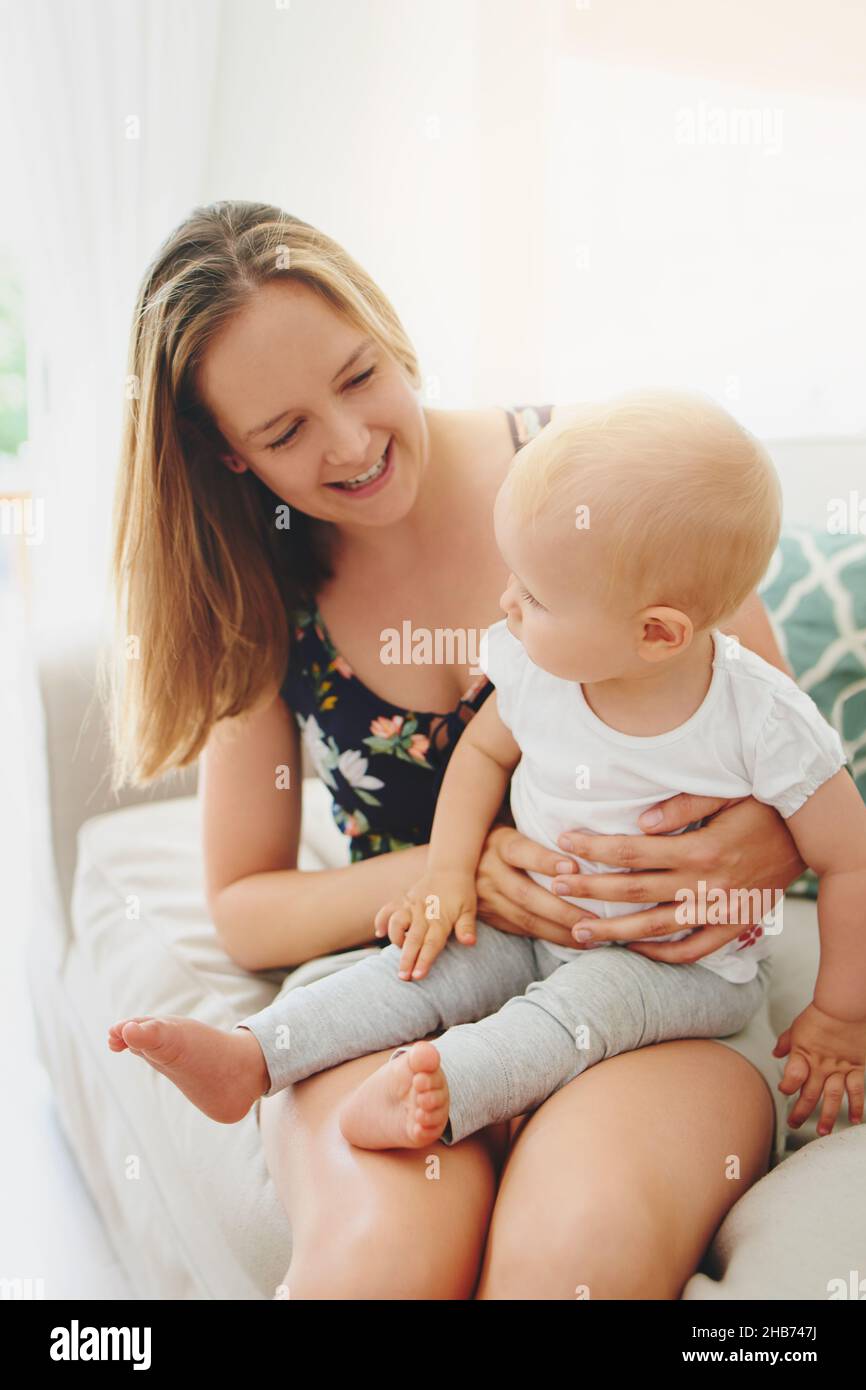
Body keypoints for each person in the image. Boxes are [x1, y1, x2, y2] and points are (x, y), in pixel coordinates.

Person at [104, 201, 810, 1299]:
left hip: (648, 986)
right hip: (416, 972)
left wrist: (760, 847)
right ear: (227, 456)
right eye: (284, 432)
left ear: (391, 332)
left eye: (359, 375)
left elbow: (780, 744)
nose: (349, 442)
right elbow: (245, 900)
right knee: (384, 1261)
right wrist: (454, 872)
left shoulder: (587, 477)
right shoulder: (264, 589)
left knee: (566, 1260)